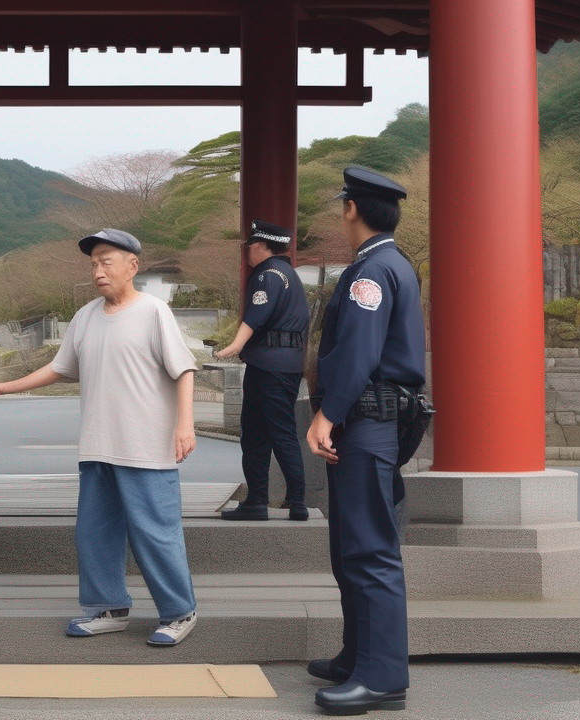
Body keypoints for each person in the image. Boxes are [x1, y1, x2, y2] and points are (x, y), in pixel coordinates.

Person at [0, 229, 200, 646]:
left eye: (106, 261)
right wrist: (2, 387)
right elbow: (59, 368)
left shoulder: (154, 312)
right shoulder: (85, 316)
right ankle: (109, 607)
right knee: (95, 531)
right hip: (98, 445)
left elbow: (184, 369)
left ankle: (179, 611)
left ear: (132, 266)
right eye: (93, 264)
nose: (98, 270)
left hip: (147, 446)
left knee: (155, 532)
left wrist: (185, 424)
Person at [304, 166, 425, 716]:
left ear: (351, 208)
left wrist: (326, 415)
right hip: (374, 421)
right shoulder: (390, 264)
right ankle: (359, 656)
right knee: (353, 546)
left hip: (366, 421)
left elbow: (356, 353)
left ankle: (381, 678)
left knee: (370, 548)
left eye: (342, 205)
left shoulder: (370, 274)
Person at [214, 220, 310, 522]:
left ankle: (289, 501)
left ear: (263, 246)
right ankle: (270, 501)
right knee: (264, 432)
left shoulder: (267, 274)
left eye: (249, 246)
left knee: (268, 433)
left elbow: (256, 316)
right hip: (283, 364)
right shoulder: (289, 274)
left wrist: (233, 346)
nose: (246, 252)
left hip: (270, 366)